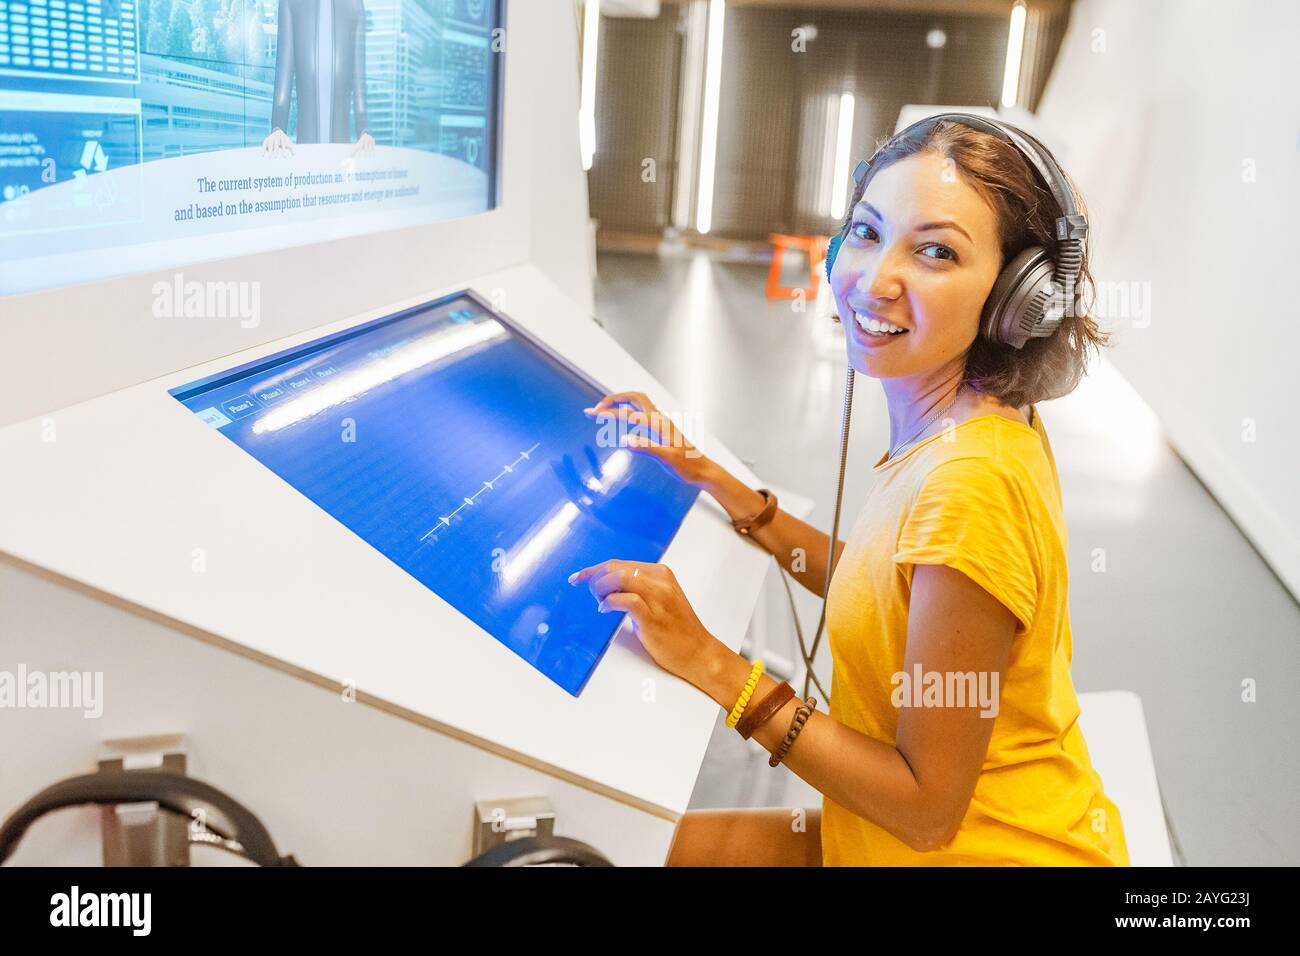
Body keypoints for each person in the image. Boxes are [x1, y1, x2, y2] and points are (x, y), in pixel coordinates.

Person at [568, 117, 1129, 866]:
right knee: (629, 848)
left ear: (1016, 299)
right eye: (866, 233)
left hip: (974, 848)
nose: (874, 278)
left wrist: (711, 663)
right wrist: (714, 478)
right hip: (890, 838)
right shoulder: (975, 423)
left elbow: (926, 809)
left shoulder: (972, 483)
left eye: (936, 251)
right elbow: (887, 584)